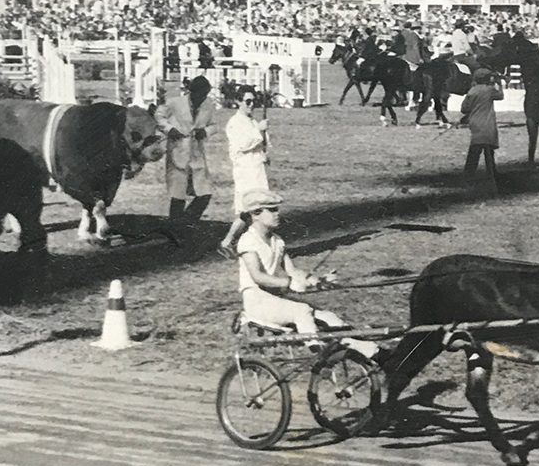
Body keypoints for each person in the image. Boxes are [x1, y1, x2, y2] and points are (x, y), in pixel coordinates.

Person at [233, 189, 380, 362]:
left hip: (275, 299)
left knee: (328, 318)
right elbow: (257, 276)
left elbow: (293, 271)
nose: (277, 214)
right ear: (256, 214)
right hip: (257, 302)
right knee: (302, 310)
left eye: (276, 209)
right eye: (271, 210)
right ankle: (319, 352)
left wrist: (319, 281)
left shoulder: (277, 241)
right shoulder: (248, 241)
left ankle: (374, 353)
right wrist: (288, 283)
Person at [156, 74, 216, 223]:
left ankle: (186, 223)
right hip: (178, 151)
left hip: (196, 153)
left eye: (205, 95)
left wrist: (205, 131)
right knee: (178, 195)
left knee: (205, 192)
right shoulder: (176, 103)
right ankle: (176, 227)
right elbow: (158, 115)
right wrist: (170, 129)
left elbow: (214, 125)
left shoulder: (208, 105)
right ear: (192, 92)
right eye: (200, 94)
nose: (202, 98)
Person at [218, 91, 269, 258]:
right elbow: (242, 144)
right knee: (251, 209)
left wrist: (264, 153)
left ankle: (233, 242)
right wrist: (259, 131)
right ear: (238, 102)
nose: (251, 105)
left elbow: (259, 144)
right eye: (247, 101)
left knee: (254, 209)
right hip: (245, 170)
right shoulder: (234, 122)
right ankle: (232, 242)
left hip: (256, 168)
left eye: (253, 101)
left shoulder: (251, 120)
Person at [460, 68, 503, 189]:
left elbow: (464, 109)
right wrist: (498, 83)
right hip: (488, 123)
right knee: (489, 150)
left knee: (475, 150)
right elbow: (500, 96)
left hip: (475, 123)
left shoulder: (472, 91)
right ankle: (491, 174)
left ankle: (468, 175)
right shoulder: (489, 90)